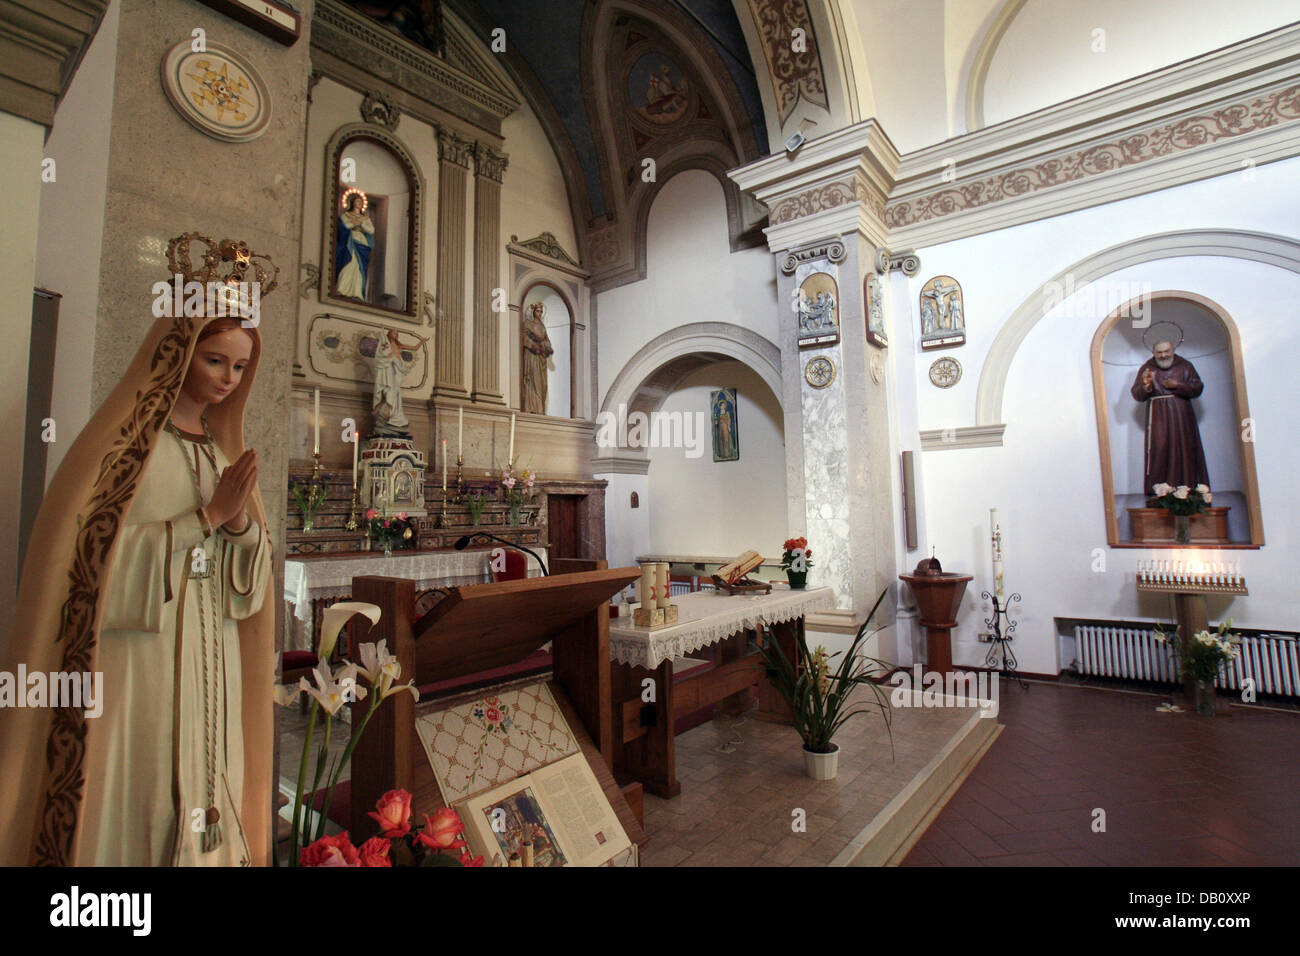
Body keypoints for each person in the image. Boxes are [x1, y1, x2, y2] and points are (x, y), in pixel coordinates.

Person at [0, 305, 274, 866]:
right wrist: (206, 519)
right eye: (215, 359)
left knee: (211, 771)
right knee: (143, 788)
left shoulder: (220, 452)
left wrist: (241, 526)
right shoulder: (127, 451)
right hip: (143, 656)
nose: (228, 378)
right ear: (177, 354)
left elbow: (246, 588)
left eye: (241, 367)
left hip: (210, 652)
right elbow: (92, 566)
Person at [1130, 339, 1210, 497]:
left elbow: (1197, 387)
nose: (1163, 355)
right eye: (1159, 352)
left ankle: (1187, 489)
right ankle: (1160, 492)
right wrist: (1146, 386)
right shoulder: (1147, 367)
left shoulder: (1185, 365)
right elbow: (1137, 394)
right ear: (1154, 353)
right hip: (1158, 416)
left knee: (1184, 449)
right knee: (1160, 449)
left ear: (1173, 350)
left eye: (1166, 351)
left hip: (1182, 415)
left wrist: (1178, 385)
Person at [372, 327, 420, 436]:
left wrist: (421, 342)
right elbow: (380, 358)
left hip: (398, 372)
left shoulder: (398, 345)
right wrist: (389, 358)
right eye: (394, 333)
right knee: (390, 391)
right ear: (389, 334)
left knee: (396, 393)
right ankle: (387, 414)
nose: (396, 335)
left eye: (397, 333)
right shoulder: (386, 346)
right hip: (389, 372)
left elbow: (414, 347)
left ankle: (395, 414)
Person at [336, 191, 375, 300]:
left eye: (360, 202)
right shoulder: (346, 215)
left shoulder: (365, 218)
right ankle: (342, 288)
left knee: (359, 267)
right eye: (357, 201)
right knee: (349, 262)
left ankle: (357, 292)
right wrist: (354, 223)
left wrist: (360, 223)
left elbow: (371, 230)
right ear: (352, 203)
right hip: (350, 241)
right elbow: (345, 225)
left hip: (361, 242)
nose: (359, 203)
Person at [521, 301, 554, 415]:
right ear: (533, 312)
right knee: (532, 381)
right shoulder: (528, 324)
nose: (539, 314)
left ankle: (540, 408)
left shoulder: (542, 326)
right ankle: (531, 406)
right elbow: (524, 337)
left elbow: (547, 340)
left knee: (542, 384)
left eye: (541, 312)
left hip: (541, 358)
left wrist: (546, 346)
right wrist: (533, 345)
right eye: (538, 311)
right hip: (532, 356)